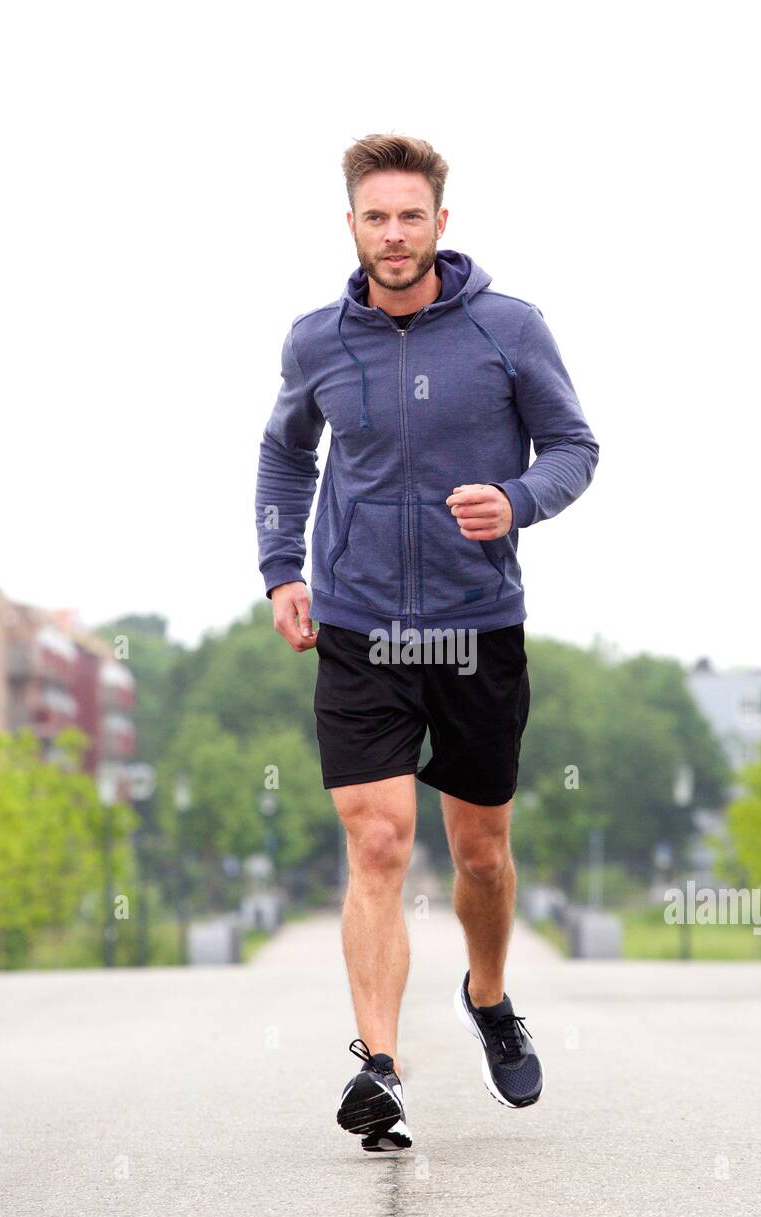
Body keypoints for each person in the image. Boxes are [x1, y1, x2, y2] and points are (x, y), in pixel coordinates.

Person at [255, 133, 599, 1156]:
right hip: (360, 627)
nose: (392, 234)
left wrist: (517, 499)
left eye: (410, 216)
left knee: (480, 853)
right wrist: (282, 571)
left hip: (475, 629)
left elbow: (574, 446)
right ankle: (379, 1067)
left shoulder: (507, 328)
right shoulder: (317, 340)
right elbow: (282, 457)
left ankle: (487, 995)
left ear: (439, 225)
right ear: (351, 224)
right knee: (375, 841)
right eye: (375, 216)